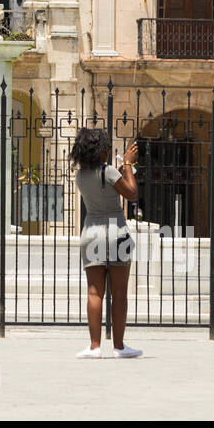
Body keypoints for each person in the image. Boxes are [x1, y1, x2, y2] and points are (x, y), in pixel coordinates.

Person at [71, 127, 140, 359]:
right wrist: (128, 165)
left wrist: (120, 172)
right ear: (100, 149)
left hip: (91, 232)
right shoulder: (109, 171)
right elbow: (131, 193)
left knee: (94, 291)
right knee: (119, 294)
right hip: (116, 231)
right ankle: (119, 347)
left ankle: (94, 347)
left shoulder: (80, 176)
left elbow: (104, 188)